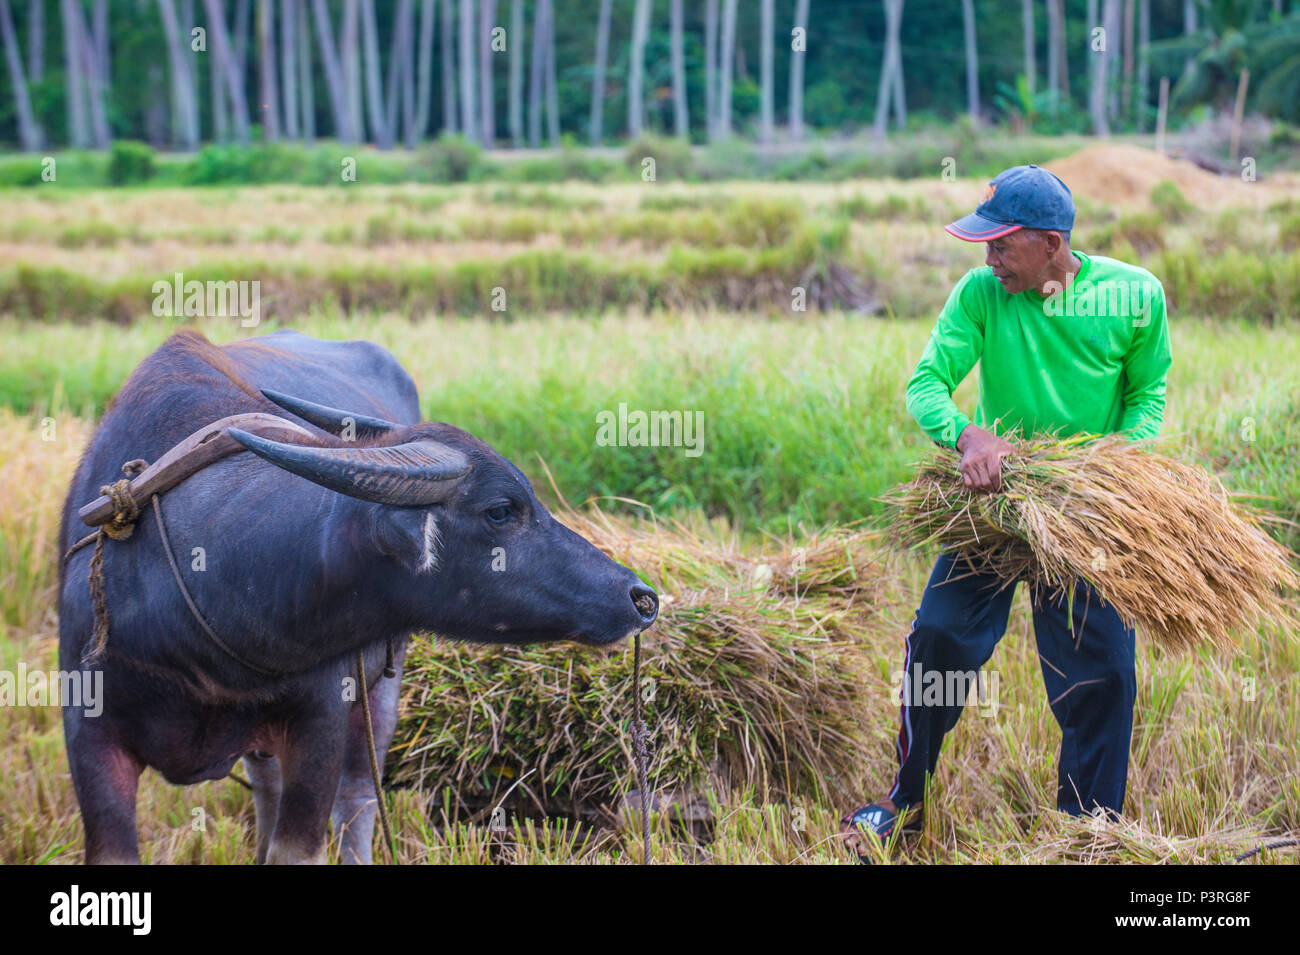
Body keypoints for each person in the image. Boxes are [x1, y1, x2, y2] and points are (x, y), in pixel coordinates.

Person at [839, 165, 1173, 862]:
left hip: (1083, 512)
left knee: (1103, 671)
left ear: (1052, 243)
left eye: (1002, 246)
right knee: (937, 639)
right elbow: (927, 383)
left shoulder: (1133, 296)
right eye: (984, 245)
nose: (988, 260)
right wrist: (969, 435)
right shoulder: (982, 294)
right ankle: (903, 802)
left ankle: (1089, 831)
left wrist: (1110, 466)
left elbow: (1148, 395)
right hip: (996, 504)